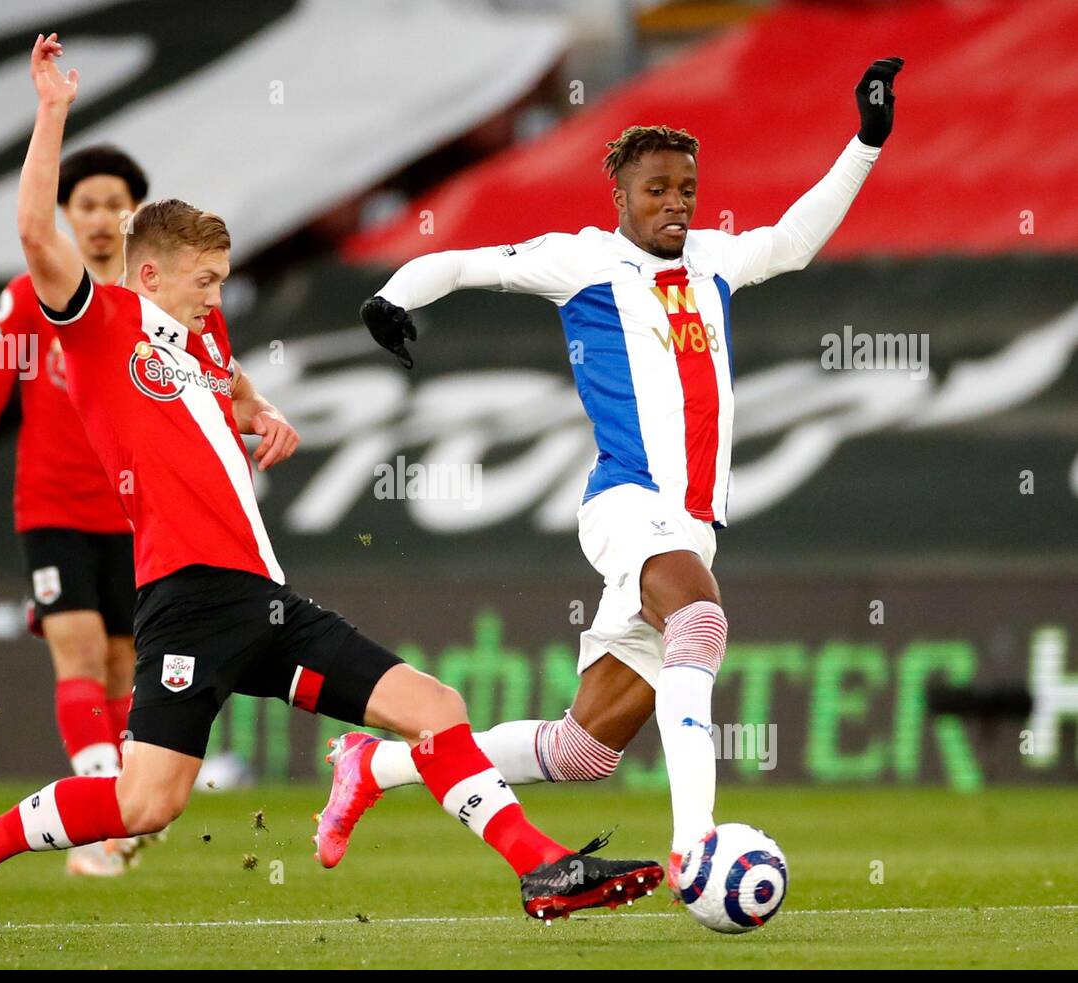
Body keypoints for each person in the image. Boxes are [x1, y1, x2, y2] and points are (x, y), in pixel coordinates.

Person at [0, 32, 662, 949]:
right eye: (204, 280)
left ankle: (540, 868)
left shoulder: (195, 351)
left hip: (260, 600)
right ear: (150, 275)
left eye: (222, 281)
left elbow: (220, 385)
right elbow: (35, 233)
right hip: (185, 602)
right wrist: (53, 109)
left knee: (435, 709)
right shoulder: (100, 325)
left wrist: (257, 406)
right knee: (149, 802)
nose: (214, 295)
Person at [327, 59, 905, 895]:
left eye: (686, 189)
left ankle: (373, 764)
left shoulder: (713, 261)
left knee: (584, 748)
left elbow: (794, 242)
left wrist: (867, 142)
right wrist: (392, 295)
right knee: (700, 620)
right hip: (628, 502)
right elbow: (461, 263)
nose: (675, 204)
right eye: (657, 190)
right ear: (621, 199)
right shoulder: (583, 263)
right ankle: (695, 844)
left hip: (692, 524)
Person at [0, 146, 155, 877]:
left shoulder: (149, 298)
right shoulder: (32, 293)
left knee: (126, 662)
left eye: (113, 205)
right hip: (52, 507)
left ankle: (119, 808)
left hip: (133, 512)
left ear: (136, 214)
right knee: (82, 653)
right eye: (85, 204)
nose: (98, 220)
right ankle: (102, 814)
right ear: (64, 212)